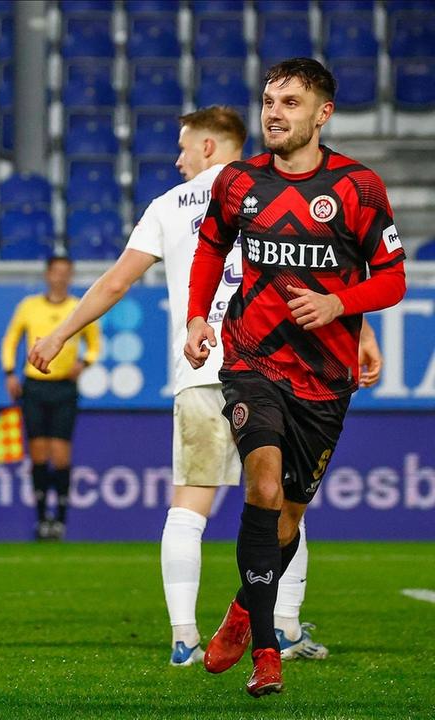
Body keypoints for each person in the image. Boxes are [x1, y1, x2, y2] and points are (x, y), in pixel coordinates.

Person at [29, 106, 384, 668]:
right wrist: (361, 333)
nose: (178, 159)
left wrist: (60, 334)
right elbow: (321, 271)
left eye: (184, 147)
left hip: (202, 369)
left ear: (211, 147)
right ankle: (285, 627)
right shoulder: (275, 189)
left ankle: (183, 637)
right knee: (284, 504)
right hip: (280, 366)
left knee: (190, 505)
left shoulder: (168, 206)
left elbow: (117, 282)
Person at [185, 58, 406, 697]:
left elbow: (393, 278)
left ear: (322, 113)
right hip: (251, 360)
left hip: (325, 375)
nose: (274, 113)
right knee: (260, 483)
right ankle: (266, 652)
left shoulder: (358, 187)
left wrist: (341, 305)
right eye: (268, 101)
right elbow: (210, 247)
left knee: (287, 519)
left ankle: (241, 608)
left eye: (290, 102)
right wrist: (197, 316)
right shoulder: (239, 181)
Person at [1, 255, 99, 540]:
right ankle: (43, 519)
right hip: (34, 386)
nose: (60, 277)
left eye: (66, 272)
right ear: (47, 275)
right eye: (56, 272)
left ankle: (62, 520)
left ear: (71, 276)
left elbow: (94, 344)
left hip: (64, 387)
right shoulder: (29, 306)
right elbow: (11, 340)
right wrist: (10, 372)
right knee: (38, 453)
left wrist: (85, 362)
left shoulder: (78, 307)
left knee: (61, 453)